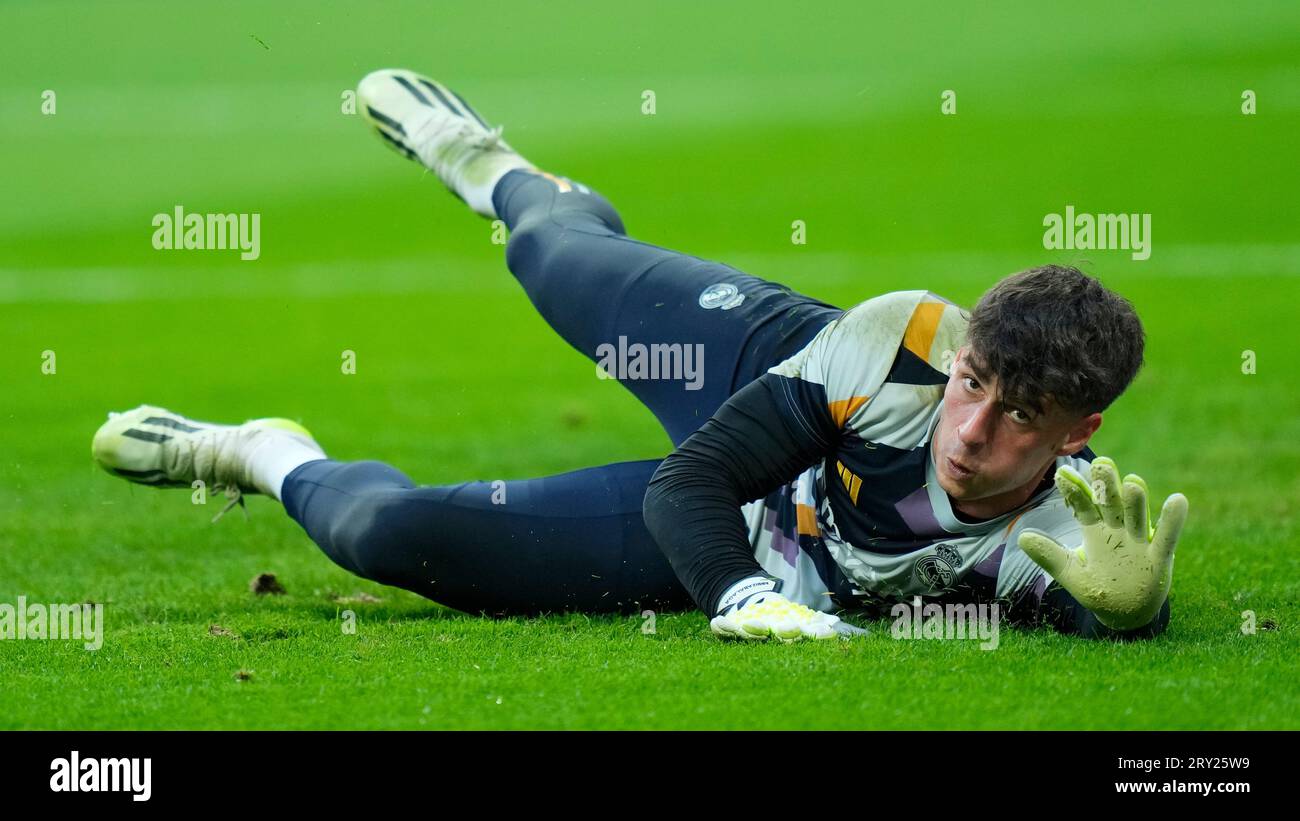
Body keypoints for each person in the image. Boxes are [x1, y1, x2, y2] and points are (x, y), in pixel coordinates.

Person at [91, 69, 1188, 643]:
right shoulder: (900, 344)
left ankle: (259, 453)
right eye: (973, 384)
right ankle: (487, 164)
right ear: (959, 355)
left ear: (1077, 433)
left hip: (777, 537)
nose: (973, 429)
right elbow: (694, 479)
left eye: (1018, 419)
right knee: (556, 258)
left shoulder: (1070, 526)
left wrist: (1132, 613)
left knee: (390, 534)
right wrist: (742, 598)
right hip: (770, 380)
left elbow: (1097, 607)